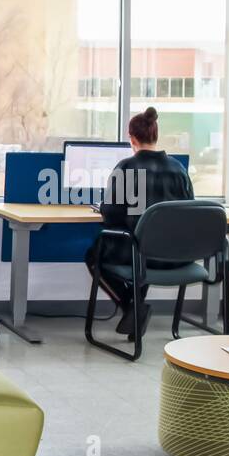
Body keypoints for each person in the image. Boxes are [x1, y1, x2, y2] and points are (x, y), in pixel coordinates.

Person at [84, 106, 194, 340]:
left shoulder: (126, 167)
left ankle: (133, 309)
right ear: (156, 136)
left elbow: (111, 216)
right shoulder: (178, 169)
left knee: (95, 256)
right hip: (174, 256)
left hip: (140, 254)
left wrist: (103, 208)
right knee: (142, 250)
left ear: (131, 138)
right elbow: (188, 210)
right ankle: (136, 312)